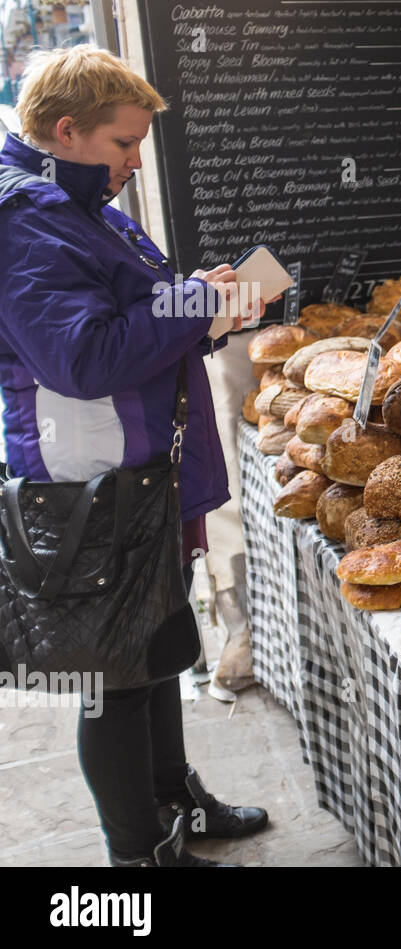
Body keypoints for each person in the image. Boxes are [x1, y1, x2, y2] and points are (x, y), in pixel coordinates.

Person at [0, 47, 271, 865]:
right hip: (92, 485)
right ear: (67, 129)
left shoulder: (77, 202)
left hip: (140, 473)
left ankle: (172, 799)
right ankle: (139, 856)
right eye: (124, 145)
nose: (132, 163)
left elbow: (127, 303)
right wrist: (197, 303)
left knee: (156, 650)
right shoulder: (25, 219)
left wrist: (199, 294)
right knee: (109, 683)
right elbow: (82, 359)